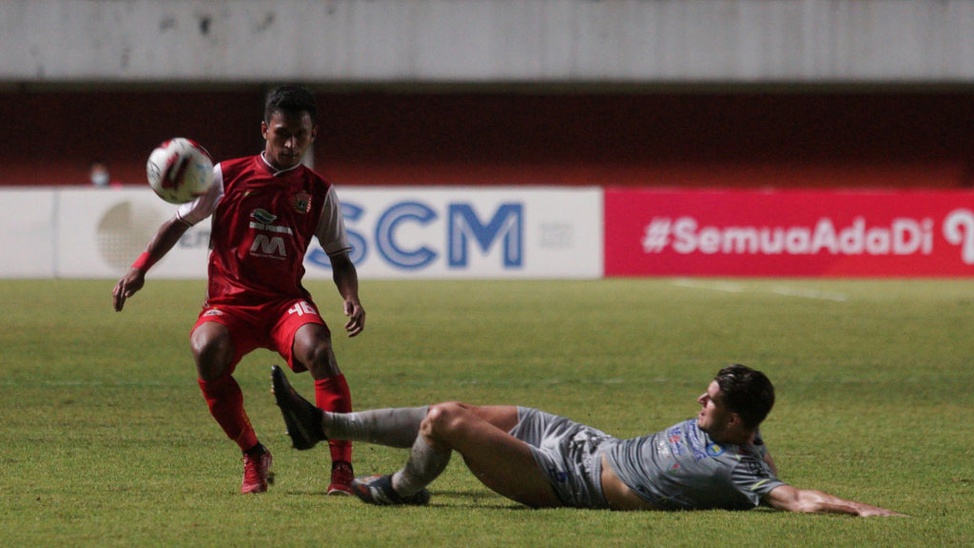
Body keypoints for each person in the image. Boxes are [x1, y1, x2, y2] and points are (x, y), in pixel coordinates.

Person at [112, 85, 365, 495]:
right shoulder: (225, 176)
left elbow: (339, 257)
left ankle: (342, 467)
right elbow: (177, 223)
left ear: (313, 134)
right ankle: (253, 453)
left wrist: (350, 297)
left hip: (285, 304)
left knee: (319, 347)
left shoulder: (319, 192)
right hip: (230, 304)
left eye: (300, 135)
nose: (290, 143)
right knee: (204, 349)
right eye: (282, 132)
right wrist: (140, 268)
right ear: (264, 129)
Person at [271, 363, 903, 515]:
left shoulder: (741, 470)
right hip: (580, 439)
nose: (700, 401)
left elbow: (793, 497)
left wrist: (860, 508)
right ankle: (322, 426)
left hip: (570, 481)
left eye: (711, 401)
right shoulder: (743, 438)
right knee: (461, 406)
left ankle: (402, 488)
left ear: (737, 422)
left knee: (446, 419)